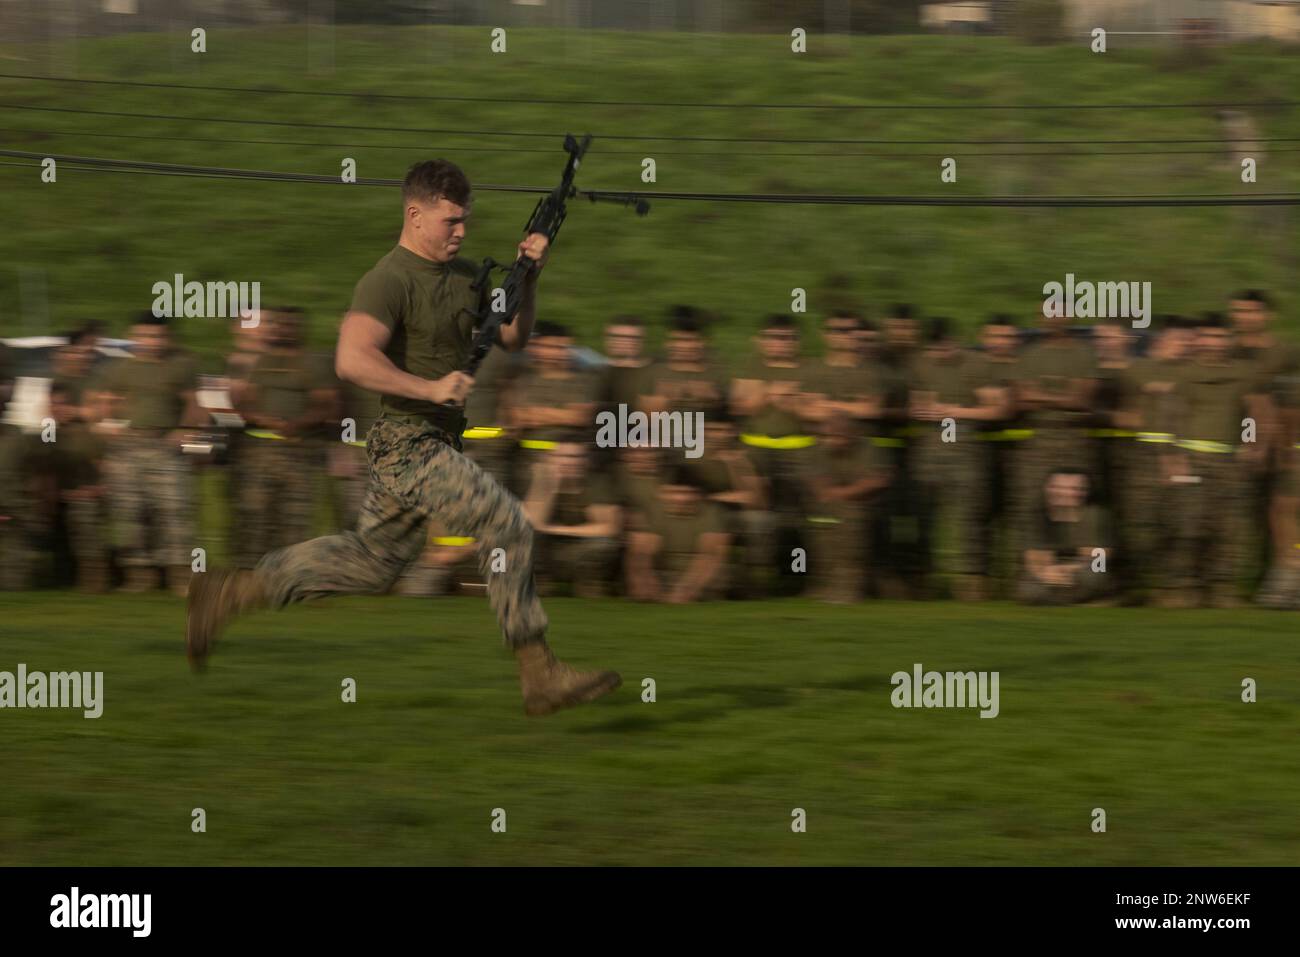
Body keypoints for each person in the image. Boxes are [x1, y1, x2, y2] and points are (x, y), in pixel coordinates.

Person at [186, 158, 621, 717]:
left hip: (438, 441)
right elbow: (351, 360)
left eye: (466, 220)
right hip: (407, 443)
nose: (461, 230)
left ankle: (232, 593)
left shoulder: (465, 275)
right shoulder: (387, 280)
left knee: (374, 562)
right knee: (506, 522)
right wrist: (431, 387)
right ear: (415, 214)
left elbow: (513, 337)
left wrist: (529, 276)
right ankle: (539, 674)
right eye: (450, 221)